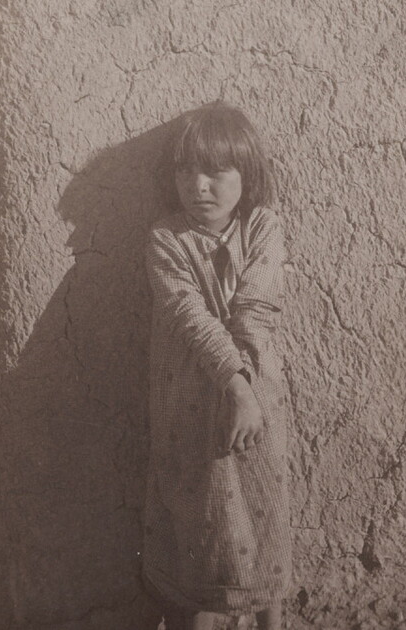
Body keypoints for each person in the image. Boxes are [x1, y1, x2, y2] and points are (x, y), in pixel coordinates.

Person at [142, 102, 292, 630]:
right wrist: (234, 385)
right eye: (185, 170)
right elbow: (189, 316)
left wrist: (245, 391)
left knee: (263, 514)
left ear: (246, 177)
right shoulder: (167, 239)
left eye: (215, 171)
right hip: (189, 404)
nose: (197, 185)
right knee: (208, 535)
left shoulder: (263, 228)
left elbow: (258, 305)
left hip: (256, 401)